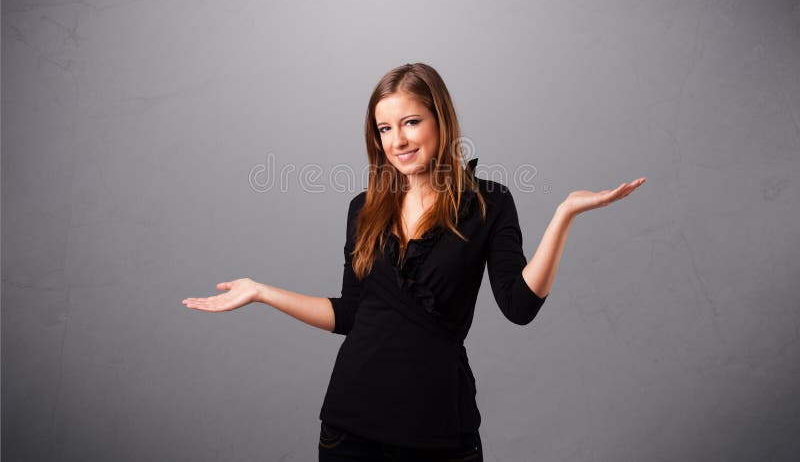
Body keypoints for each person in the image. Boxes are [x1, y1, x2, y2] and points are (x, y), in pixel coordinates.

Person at [182, 63, 646, 461]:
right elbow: (351, 314)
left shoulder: (489, 204)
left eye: (410, 122)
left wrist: (563, 215)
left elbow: (520, 306)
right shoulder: (364, 208)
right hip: (349, 430)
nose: (397, 140)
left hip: (439, 430)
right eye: (385, 128)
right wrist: (262, 292)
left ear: (439, 120)